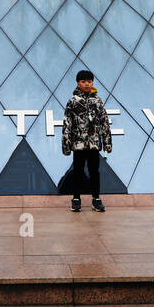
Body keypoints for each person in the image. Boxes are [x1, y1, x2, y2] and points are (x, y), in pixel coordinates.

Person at [62, 69, 113, 212]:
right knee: (77, 171)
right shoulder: (72, 101)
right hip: (78, 144)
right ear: (78, 83)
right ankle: (76, 199)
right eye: (83, 81)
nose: (86, 84)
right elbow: (67, 124)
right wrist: (66, 145)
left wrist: (107, 143)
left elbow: (104, 123)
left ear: (93, 83)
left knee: (94, 172)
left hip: (94, 144)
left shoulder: (97, 101)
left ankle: (96, 199)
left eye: (89, 81)